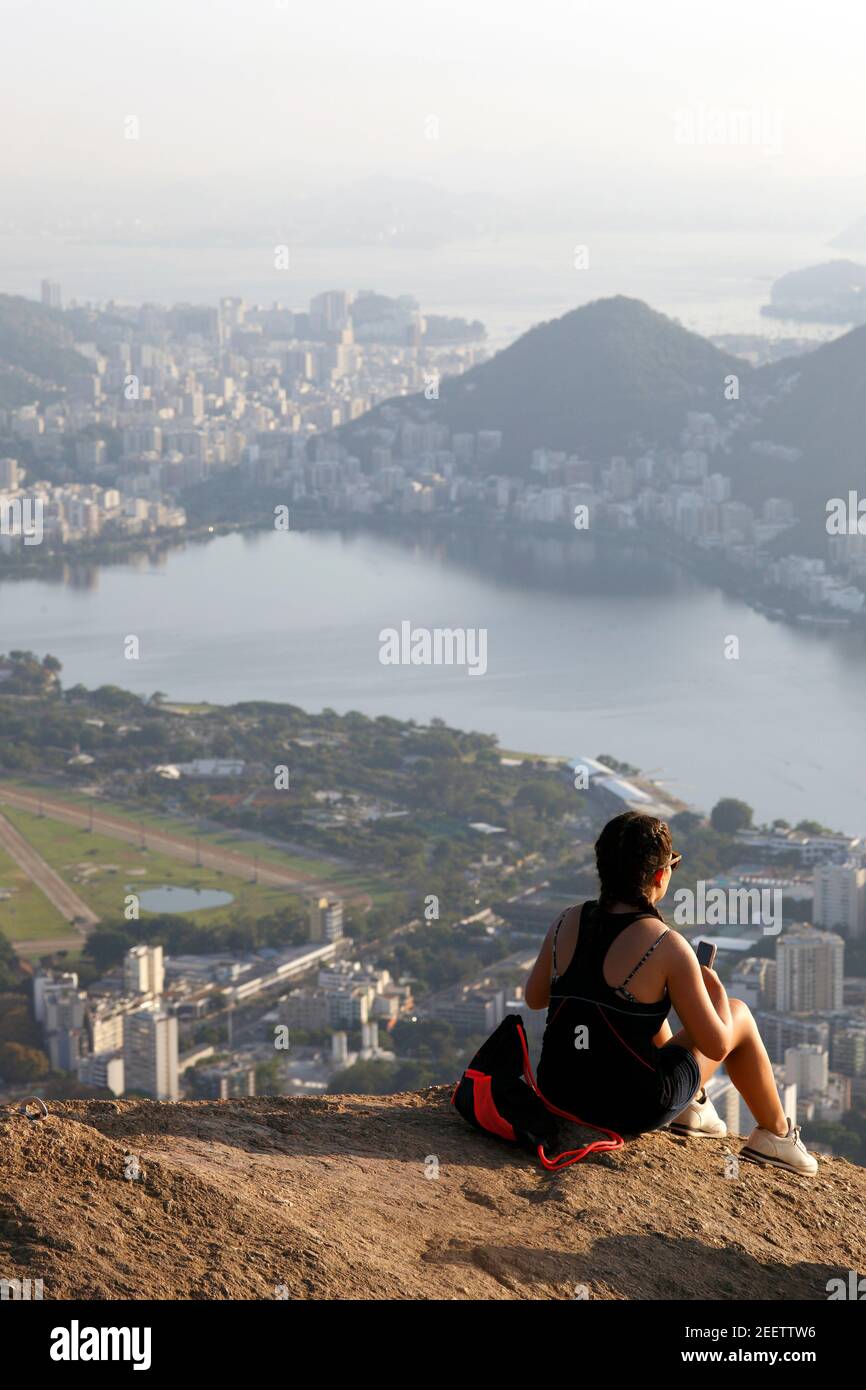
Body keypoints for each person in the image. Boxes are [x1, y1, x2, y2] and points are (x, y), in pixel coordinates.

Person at [525, 810, 818, 1176]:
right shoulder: (665, 945)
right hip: (629, 1108)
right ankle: (776, 1136)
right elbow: (717, 1045)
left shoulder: (565, 920)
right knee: (739, 1014)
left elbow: (535, 998)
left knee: (639, 1009)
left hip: (559, 1090)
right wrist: (715, 991)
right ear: (660, 875)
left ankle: (694, 1107)